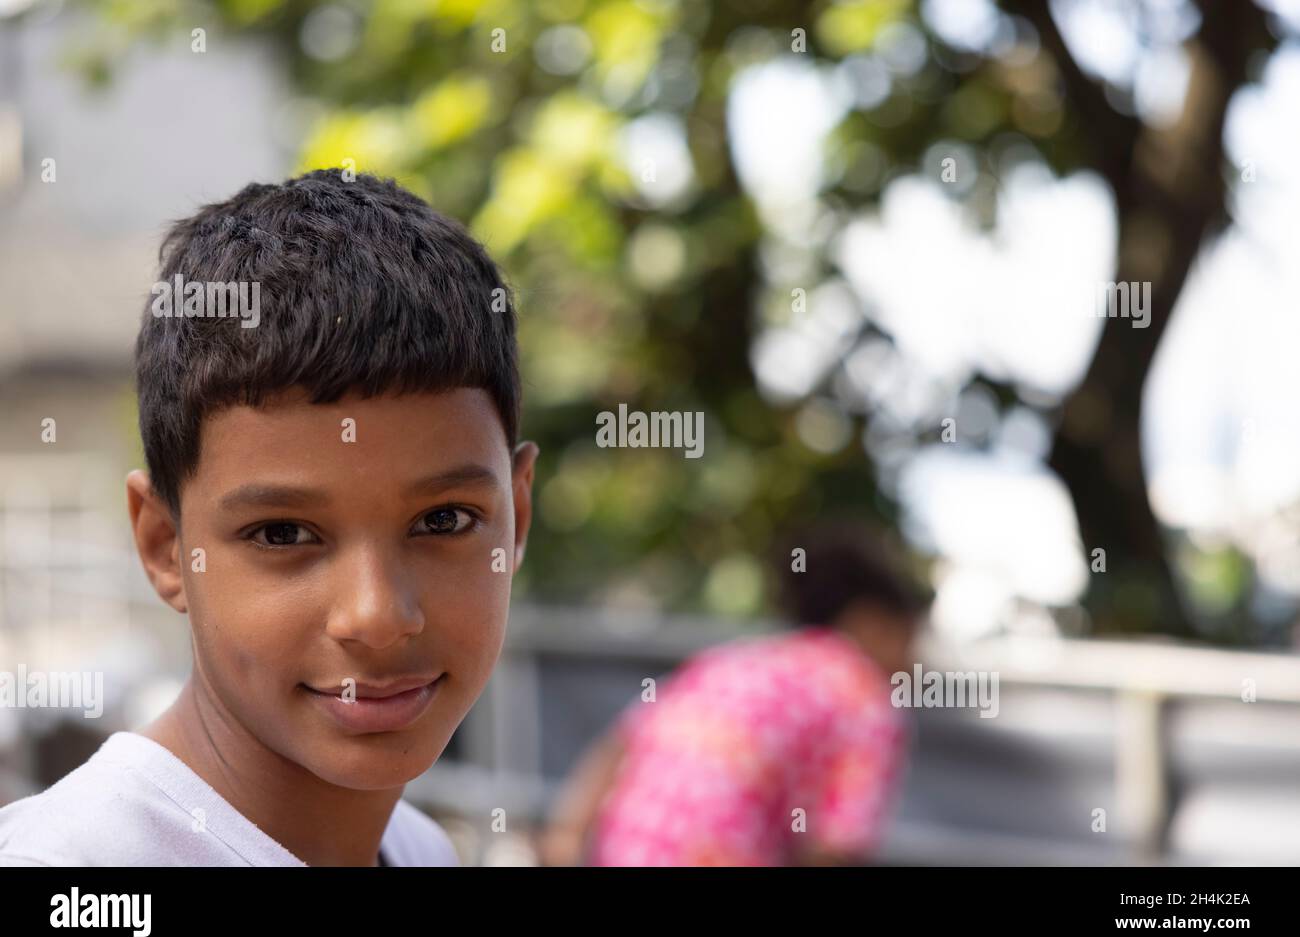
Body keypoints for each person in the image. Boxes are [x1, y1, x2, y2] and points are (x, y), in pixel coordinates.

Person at [0, 170, 539, 866]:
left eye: (443, 521)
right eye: (282, 533)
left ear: (517, 515)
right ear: (165, 546)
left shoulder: (420, 848)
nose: (376, 616)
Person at [540, 522, 927, 866]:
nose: (912, 663)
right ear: (871, 623)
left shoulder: (733, 661)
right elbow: (837, 848)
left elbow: (620, 744)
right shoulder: (866, 701)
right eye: (909, 640)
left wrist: (566, 837)